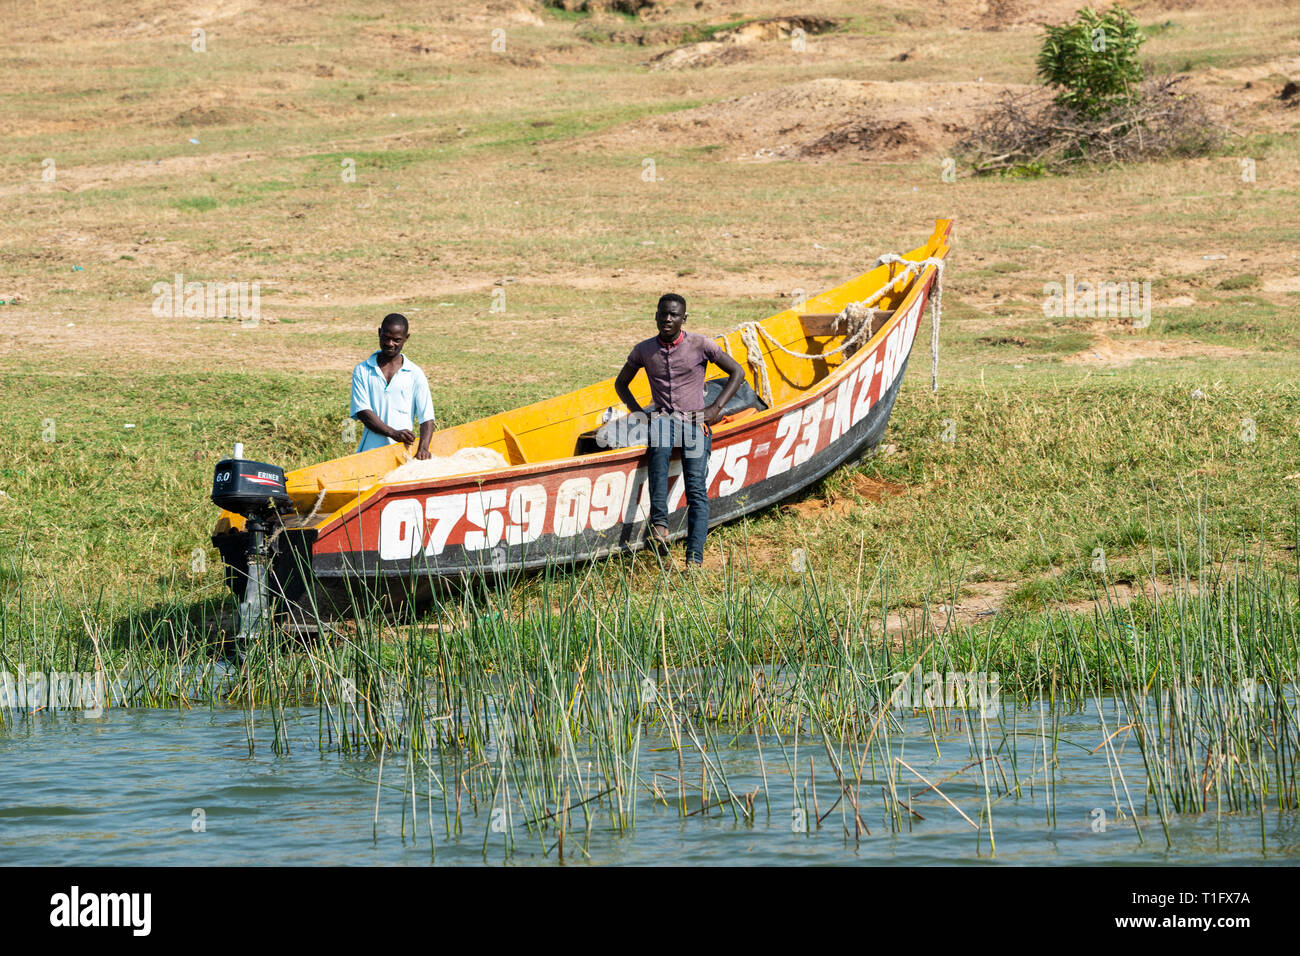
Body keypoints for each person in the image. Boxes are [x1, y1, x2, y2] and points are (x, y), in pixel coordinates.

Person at [614, 293, 744, 566]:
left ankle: (694, 558)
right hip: (664, 420)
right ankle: (659, 525)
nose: (668, 320)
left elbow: (737, 372)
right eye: (663, 314)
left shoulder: (700, 344)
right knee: (658, 454)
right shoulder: (644, 350)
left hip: (695, 422)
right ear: (656, 316)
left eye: (674, 315)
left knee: (696, 489)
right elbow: (621, 383)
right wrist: (638, 414)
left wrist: (715, 408)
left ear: (684, 319)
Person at [350, 313, 435, 459]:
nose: (390, 343)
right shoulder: (363, 370)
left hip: (402, 454)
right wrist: (393, 433)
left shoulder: (415, 373)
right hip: (370, 454)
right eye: (386, 337)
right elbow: (363, 412)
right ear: (379, 333)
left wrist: (423, 449)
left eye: (396, 340)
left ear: (406, 338)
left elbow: (427, 418)